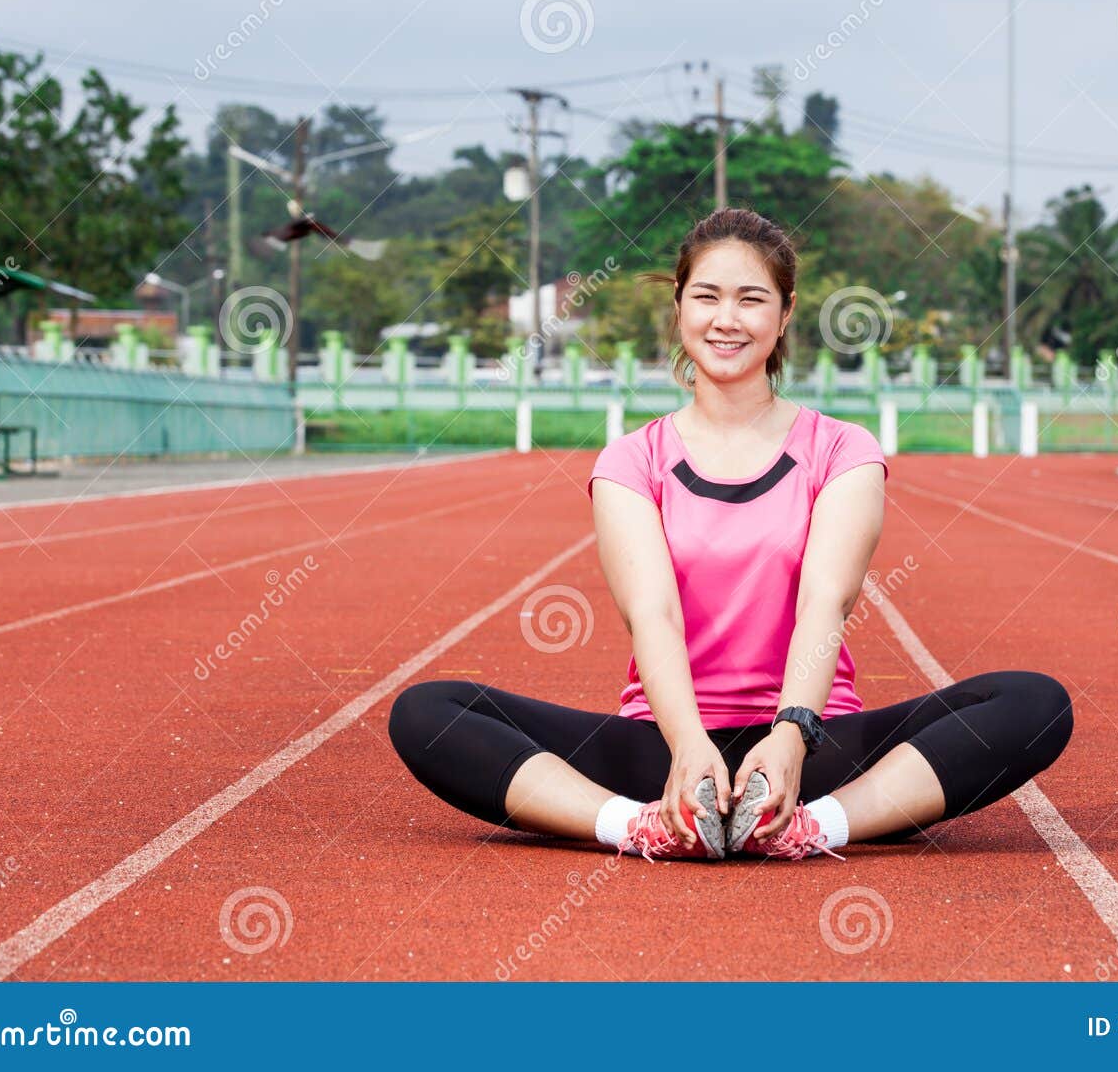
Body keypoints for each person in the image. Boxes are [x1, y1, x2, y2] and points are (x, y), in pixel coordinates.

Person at [388, 207, 1073, 861]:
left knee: (1034, 702)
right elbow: (652, 614)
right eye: (707, 296)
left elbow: (825, 602)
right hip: (663, 749)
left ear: (785, 313)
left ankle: (810, 827)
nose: (726, 319)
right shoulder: (632, 460)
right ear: (679, 305)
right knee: (428, 712)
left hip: (817, 747)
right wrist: (688, 746)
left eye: (751, 299)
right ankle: (644, 826)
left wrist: (790, 736)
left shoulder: (842, 449)